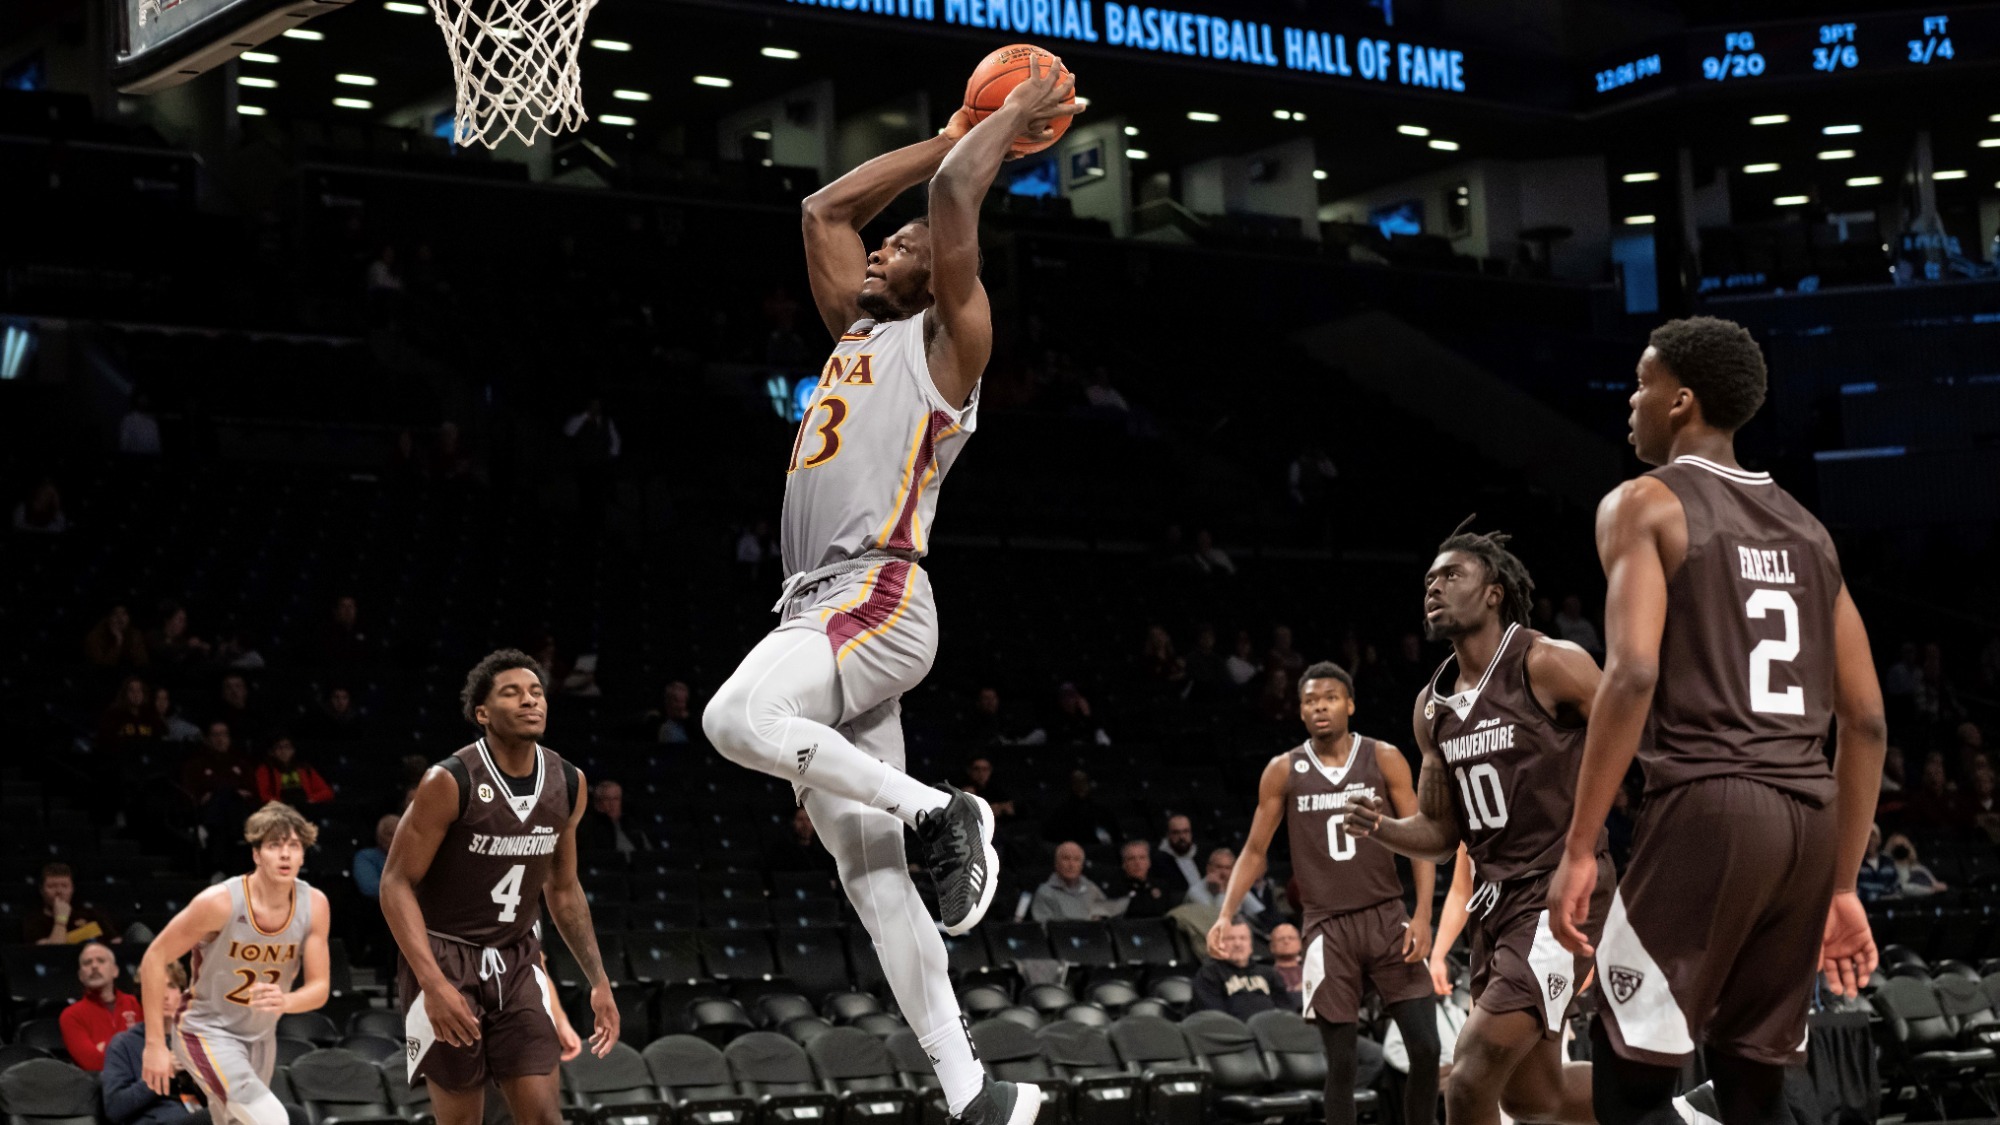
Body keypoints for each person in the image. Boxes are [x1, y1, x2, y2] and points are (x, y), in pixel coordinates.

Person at [700, 58, 1081, 1125]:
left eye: (902, 246)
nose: (884, 246)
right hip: (815, 607)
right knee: (870, 882)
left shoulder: (947, 346)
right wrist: (957, 120)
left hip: (873, 594)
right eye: (887, 242)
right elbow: (825, 206)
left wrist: (1003, 123)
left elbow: (955, 197)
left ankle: (939, 809)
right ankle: (972, 1092)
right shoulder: (857, 333)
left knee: (733, 716)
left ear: (939, 274)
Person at [1546, 317, 1886, 1125]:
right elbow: (1867, 721)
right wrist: (1843, 881)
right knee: (1751, 1086)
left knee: (1629, 1083)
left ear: (1681, 399)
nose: (1631, 399)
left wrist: (1581, 845)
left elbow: (1630, 671)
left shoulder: (1645, 504)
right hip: (1809, 822)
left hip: (1709, 804)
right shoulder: (1811, 530)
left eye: (1642, 382)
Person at [1346, 524, 1613, 1125]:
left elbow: (1636, 736)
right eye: (1428, 580)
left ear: (1494, 593)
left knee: (1466, 1078)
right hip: (1495, 907)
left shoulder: (1548, 662)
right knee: (1531, 1097)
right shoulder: (1431, 707)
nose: (1433, 587)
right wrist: (1383, 827)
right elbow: (1441, 838)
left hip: (1559, 896)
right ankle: (1676, 1110)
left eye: (1450, 575)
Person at [379, 650, 611, 1124]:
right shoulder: (448, 780)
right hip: (446, 958)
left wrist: (599, 980)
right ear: (481, 713)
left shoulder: (569, 782)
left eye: (536, 692)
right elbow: (396, 883)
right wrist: (432, 983)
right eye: (512, 693)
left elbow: (563, 891)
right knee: (464, 1120)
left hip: (518, 958)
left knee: (545, 1117)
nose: (530, 700)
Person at [1208, 661, 1439, 1125]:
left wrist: (1422, 916)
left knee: (1428, 1048)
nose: (1320, 707)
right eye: (1310, 701)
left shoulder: (1385, 756)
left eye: (1329, 698)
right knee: (1343, 1064)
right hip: (1327, 928)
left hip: (1386, 916)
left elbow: (1420, 840)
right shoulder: (1283, 770)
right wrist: (1226, 913)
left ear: (1349, 704)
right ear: (1300, 711)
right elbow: (1254, 850)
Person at [138, 803, 333, 1121]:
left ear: (302, 855)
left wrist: (286, 999)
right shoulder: (219, 903)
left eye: (293, 846)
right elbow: (154, 957)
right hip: (206, 1030)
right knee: (273, 1119)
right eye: (274, 845)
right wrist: (155, 1044)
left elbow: (320, 988)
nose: (285, 854)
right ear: (257, 855)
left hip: (259, 1036)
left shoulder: (315, 904)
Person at [103, 962, 200, 1125]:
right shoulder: (123, 1044)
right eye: (157, 986)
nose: (165, 995)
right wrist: (164, 1073)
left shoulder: (197, 1040)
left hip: (196, 1114)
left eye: (172, 986)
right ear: (143, 995)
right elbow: (115, 1108)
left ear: (183, 994)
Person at [61, 941, 142, 1071]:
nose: (94, 966)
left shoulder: (137, 1004)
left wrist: (105, 1048)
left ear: (115, 971)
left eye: (101, 961)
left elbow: (152, 1052)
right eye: (87, 963)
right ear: (81, 976)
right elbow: (92, 1063)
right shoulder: (71, 1015)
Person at [1193, 918, 1296, 1019]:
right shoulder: (1209, 974)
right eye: (1231, 938)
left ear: (1251, 946)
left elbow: (1287, 1012)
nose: (1238, 944)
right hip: (1233, 1034)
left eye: (1243, 938)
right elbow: (1214, 1018)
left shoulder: (1269, 973)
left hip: (1272, 1033)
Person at [25, 862, 120, 945]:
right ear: (41, 890)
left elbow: (116, 942)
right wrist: (61, 919)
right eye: (52, 886)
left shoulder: (91, 913)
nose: (59, 891)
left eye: (64, 886)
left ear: (72, 889)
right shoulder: (34, 921)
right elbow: (52, 954)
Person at [1030, 842, 1119, 922]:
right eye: (1066, 859)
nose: (1071, 864)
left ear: (1081, 866)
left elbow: (1107, 918)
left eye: (1076, 860)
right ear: (1056, 864)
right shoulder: (1045, 892)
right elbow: (1043, 928)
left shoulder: (1091, 889)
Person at [1041, 770, 1121, 847]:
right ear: (1071, 785)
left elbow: (1116, 838)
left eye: (1083, 782)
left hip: (1098, 854)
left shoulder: (1103, 812)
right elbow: (1050, 839)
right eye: (1077, 782)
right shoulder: (1058, 813)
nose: (1080, 786)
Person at [1103, 840, 1179, 919]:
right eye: (1131, 859)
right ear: (1124, 865)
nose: (1137, 863)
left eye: (1142, 858)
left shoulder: (1162, 886)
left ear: (1149, 862)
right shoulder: (1115, 890)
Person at [577, 780, 654, 855]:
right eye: (607, 799)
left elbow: (649, 855)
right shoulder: (587, 828)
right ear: (597, 803)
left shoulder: (631, 825)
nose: (612, 804)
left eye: (616, 799)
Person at [254, 736, 335, 807]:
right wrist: (282, 804)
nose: (283, 751)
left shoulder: (304, 768)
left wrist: (310, 800)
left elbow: (327, 792)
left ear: (293, 750)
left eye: (287, 747)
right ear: (271, 752)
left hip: (306, 807)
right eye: (278, 747)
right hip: (279, 811)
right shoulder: (265, 770)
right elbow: (264, 796)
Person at [766, 806, 838, 874]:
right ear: (793, 822)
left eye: (809, 820)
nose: (805, 824)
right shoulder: (782, 851)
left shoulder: (825, 850)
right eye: (800, 820)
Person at [85, 605, 149, 669]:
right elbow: (101, 666)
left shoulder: (135, 634)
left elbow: (142, 663)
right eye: (115, 614)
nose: (120, 619)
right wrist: (118, 642)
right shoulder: (95, 636)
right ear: (108, 618)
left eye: (124, 613)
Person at [1883, 832, 1947, 897]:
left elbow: (1936, 885)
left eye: (1903, 845)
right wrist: (1929, 891)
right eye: (1897, 846)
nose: (1901, 848)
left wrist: (1938, 887)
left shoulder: (1919, 868)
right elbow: (1901, 888)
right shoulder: (1887, 870)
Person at [353, 814, 399, 900]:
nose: (393, 838)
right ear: (379, 835)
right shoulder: (366, 856)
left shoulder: (411, 856)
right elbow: (369, 887)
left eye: (398, 833)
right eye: (389, 833)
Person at [1153, 814, 1203, 894]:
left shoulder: (1202, 856)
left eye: (1185, 831)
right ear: (1168, 835)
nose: (1182, 837)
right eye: (1176, 833)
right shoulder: (1158, 862)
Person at [1854, 825, 1898, 903]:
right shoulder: (1856, 864)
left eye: (1873, 835)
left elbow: (1896, 888)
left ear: (1879, 840)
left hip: (1887, 908)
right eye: (1866, 835)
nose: (1870, 839)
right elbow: (1855, 892)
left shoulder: (1888, 863)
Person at [1268, 923, 1305, 995]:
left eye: (1291, 938)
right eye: (1280, 939)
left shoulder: (1312, 970)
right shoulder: (1266, 975)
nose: (1286, 942)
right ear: (1272, 946)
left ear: (1300, 943)